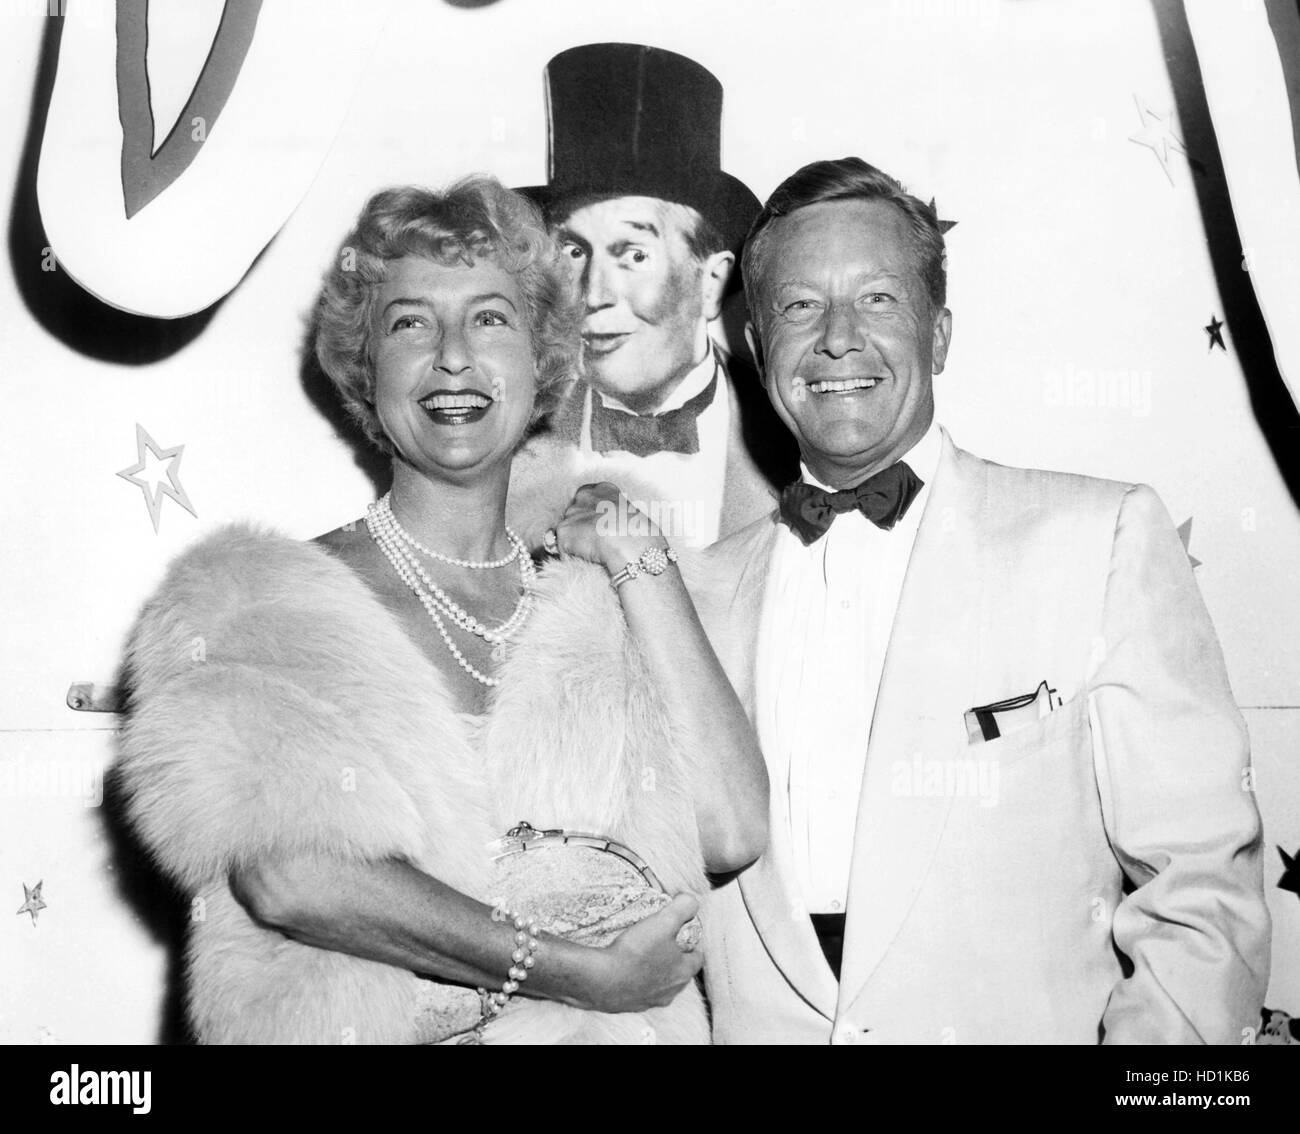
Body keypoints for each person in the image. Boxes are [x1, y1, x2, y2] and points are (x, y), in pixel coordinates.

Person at [116, 176, 768, 1045]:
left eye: (492, 318)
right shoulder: (259, 603)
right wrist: (580, 973)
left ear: (545, 361)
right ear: (366, 366)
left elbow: (730, 826)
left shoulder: (606, 597)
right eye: (411, 322)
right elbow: (297, 880)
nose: (453, 356)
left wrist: (637, 559)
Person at [681, 156, 1270, 1044]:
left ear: (941, 335)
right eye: (801, 306)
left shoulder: (1098, 537)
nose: (838, 337)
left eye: (878, 299)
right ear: (761, 348)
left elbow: (1202, 899)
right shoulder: (688, 597)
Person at [509, 43, 797, 548]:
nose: (594, 295)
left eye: (634, 255)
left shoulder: (796, 428)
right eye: (575, 252)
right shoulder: (507, 433)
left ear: (711, 282)